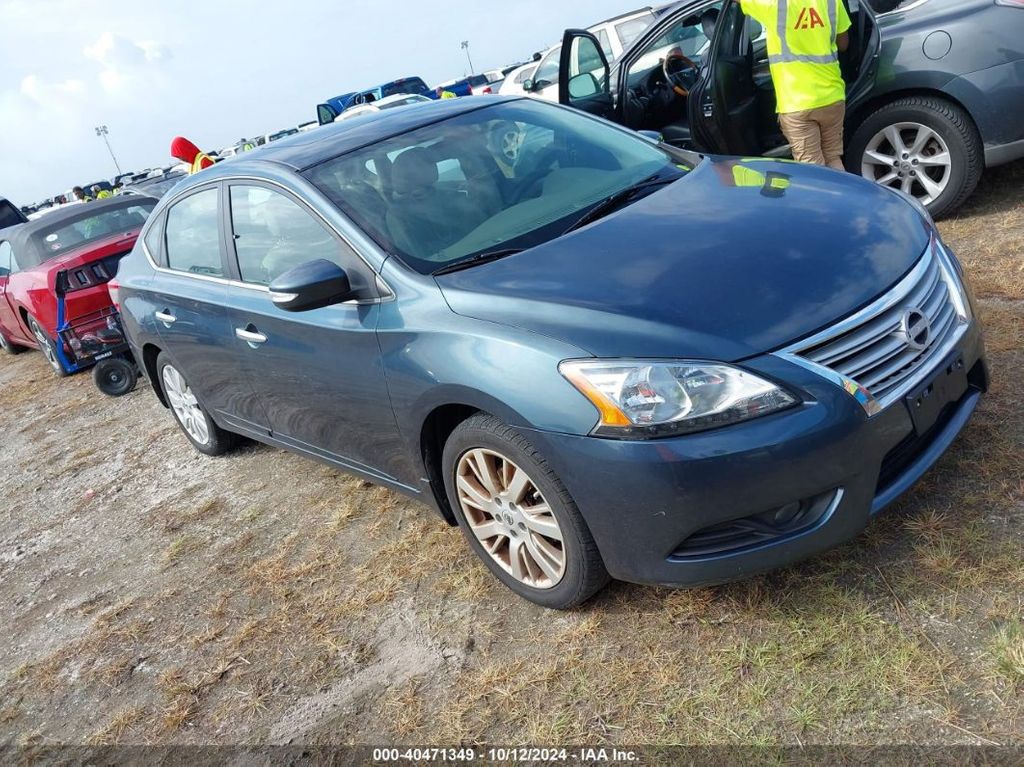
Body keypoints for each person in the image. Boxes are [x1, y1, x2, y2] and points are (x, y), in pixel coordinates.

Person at [740, 0, 851, 169]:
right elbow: (843, 44)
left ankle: (823, 197)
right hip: (832, 96)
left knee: (812, 168)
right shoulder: (832, 2)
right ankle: (845, 195)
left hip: (797, 103)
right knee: (833, 158)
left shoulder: (773, 5)